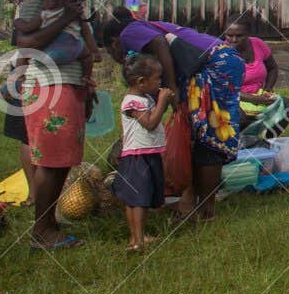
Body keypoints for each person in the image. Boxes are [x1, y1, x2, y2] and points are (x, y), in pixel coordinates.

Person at [103, 13, 245, 223]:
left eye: (110, 52)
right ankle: (191, 205)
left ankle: (206, 213)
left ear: (114, 42)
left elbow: (160, 44)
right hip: (220, 62)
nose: (117, 57)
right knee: (198, 136)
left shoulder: (128, 32)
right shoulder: (147, 28)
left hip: (213, 64)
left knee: (208, 138)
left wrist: (171, 86)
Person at [13, 0, 98, 249]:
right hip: (48, 85)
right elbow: (24, 43)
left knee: (64, 159)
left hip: (70, 83)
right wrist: (63, 18)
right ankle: (41, 231)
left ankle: (50, 222)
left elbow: (86, 49)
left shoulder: (72, 2)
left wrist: (87, 84)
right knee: (50, 160)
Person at [115, 53, 173, 252]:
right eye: (157, 78)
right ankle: (137, 239)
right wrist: (163, 102)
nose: (160, 82)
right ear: (141, 81)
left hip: (144, 153)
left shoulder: (144, 97)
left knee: (140, 198)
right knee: (138, 199)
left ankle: (138, 237)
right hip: (138, 156)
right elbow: (149, 123)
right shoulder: (133, 102)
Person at [223, 16, 280, 107]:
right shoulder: (221, 53)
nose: (234, 40)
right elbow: (226, 89)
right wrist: (256, 99)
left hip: (259, 95)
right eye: (229, 36)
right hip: (233, 99)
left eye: (239, 36)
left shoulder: (258, 44)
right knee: (240, 116)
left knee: (287, 105)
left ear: (248, 33)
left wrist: (267, 89)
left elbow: (272, 67)